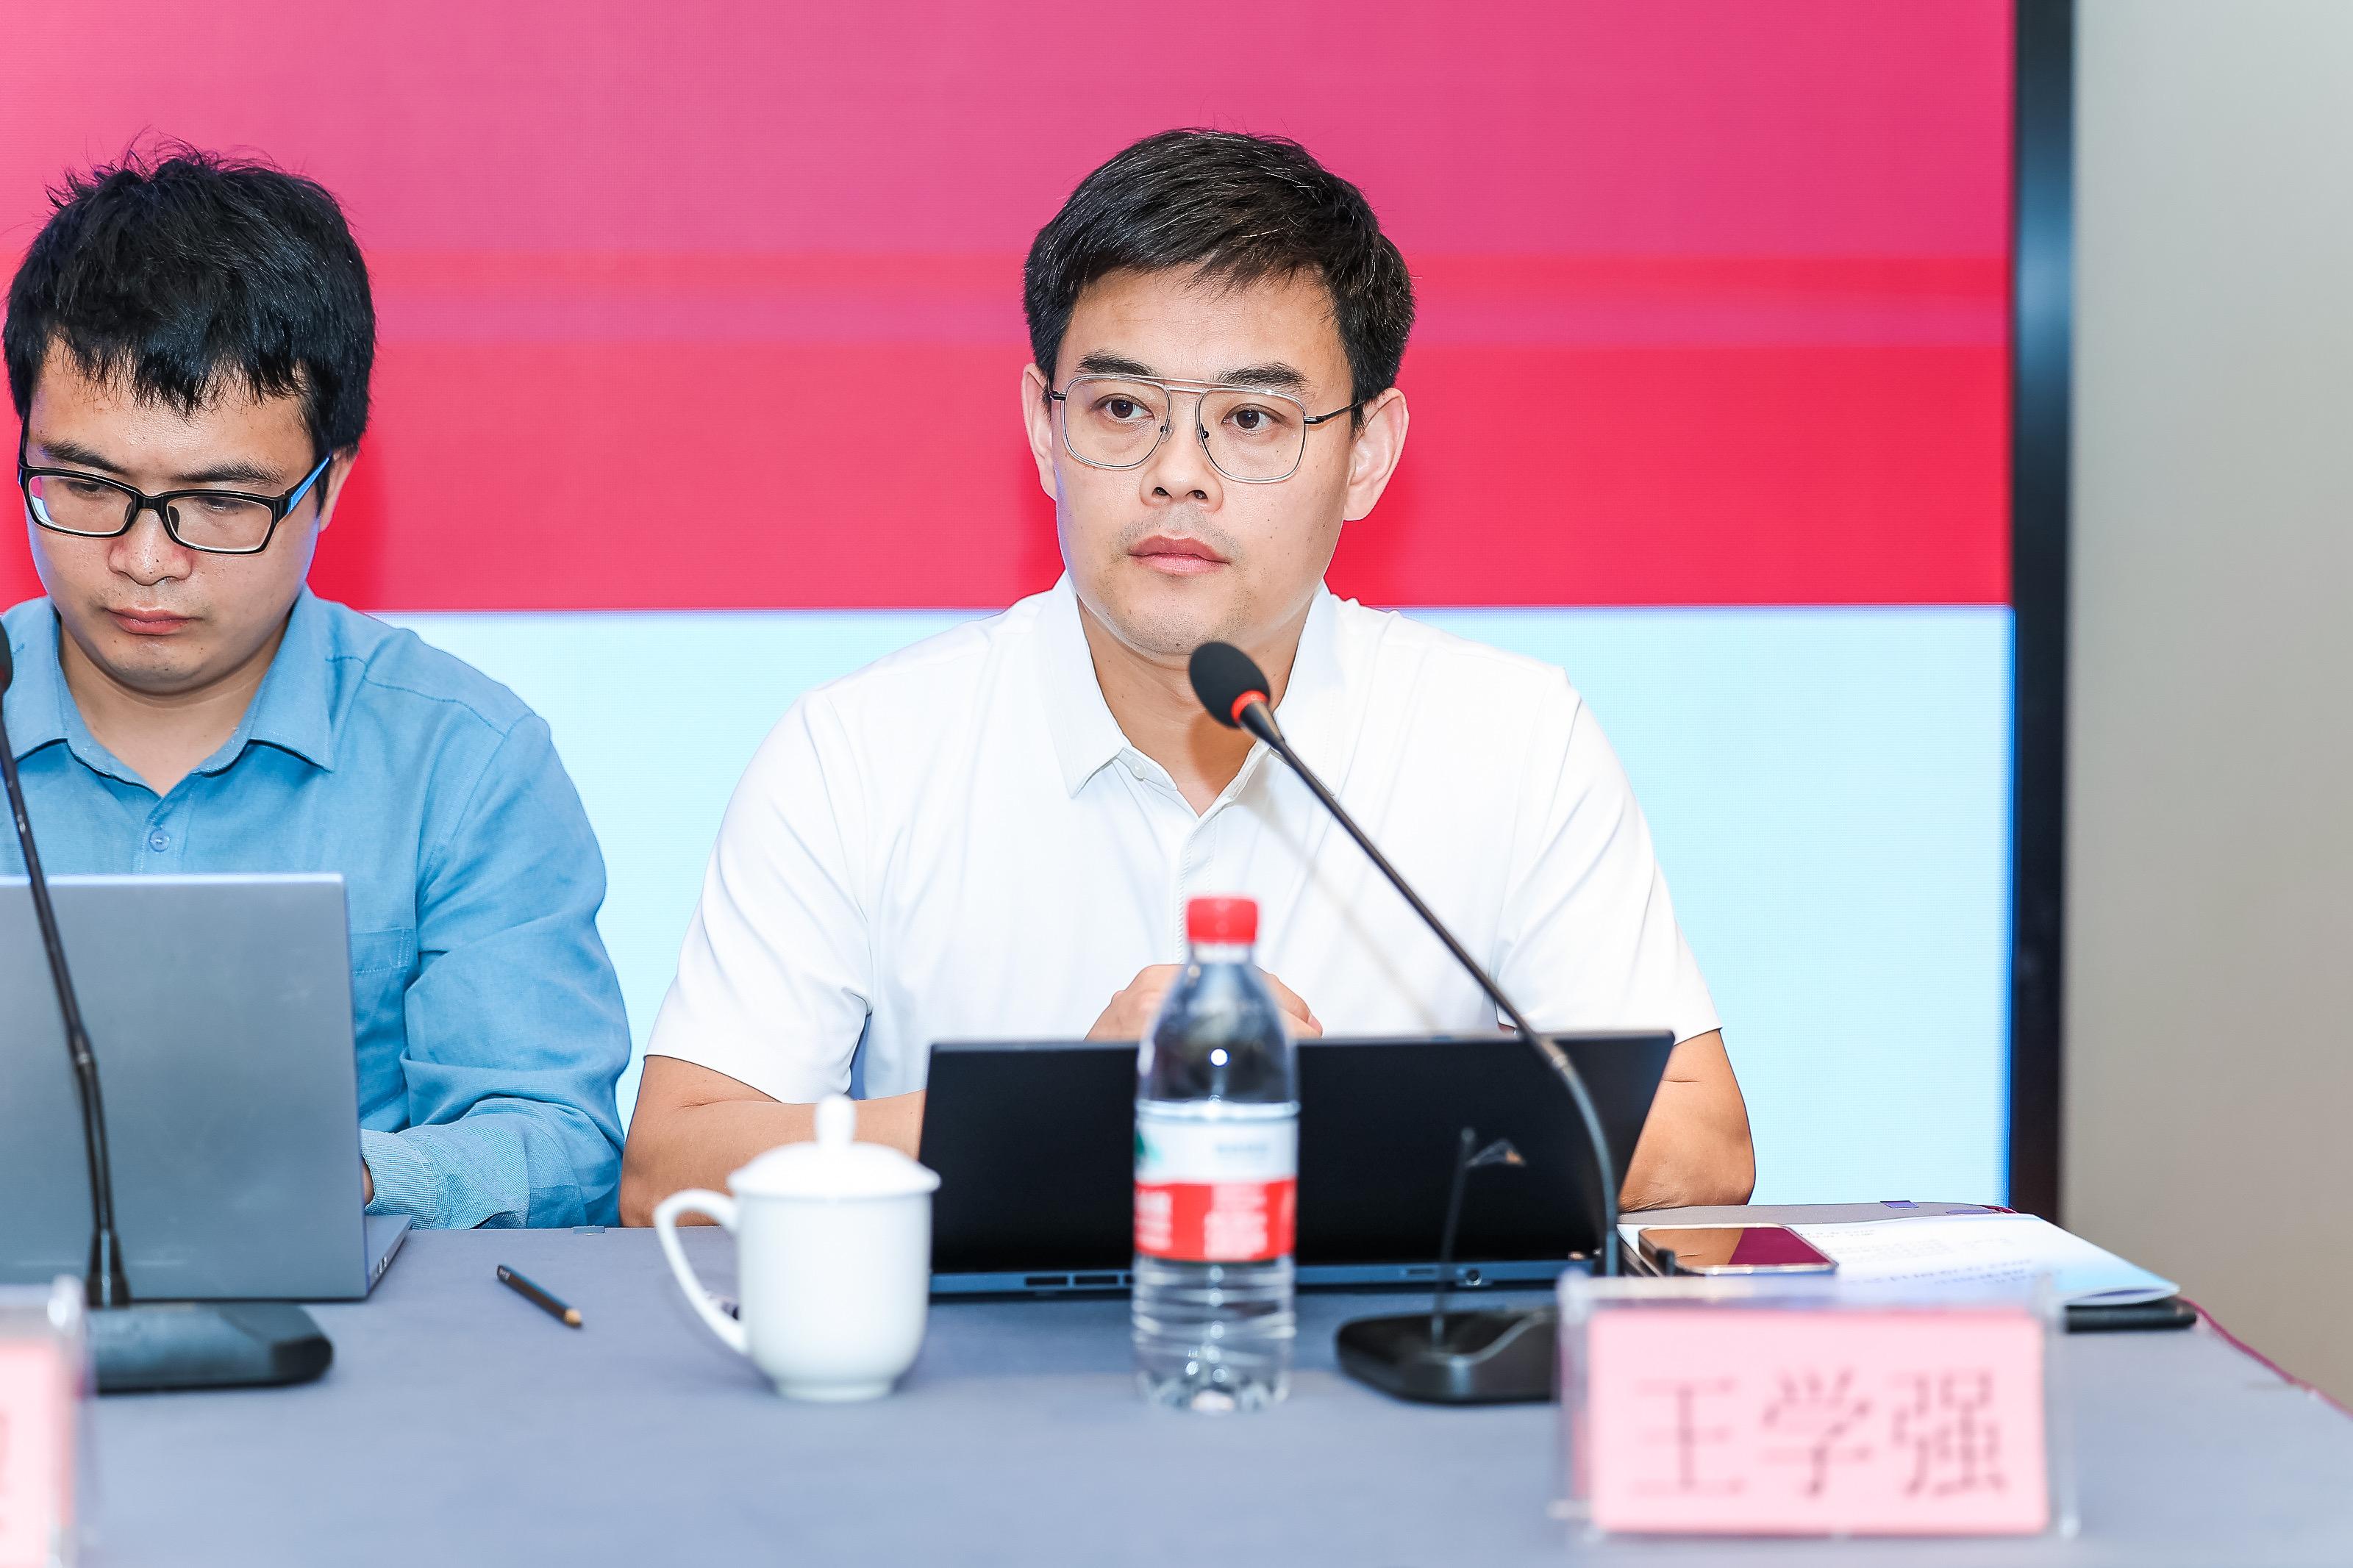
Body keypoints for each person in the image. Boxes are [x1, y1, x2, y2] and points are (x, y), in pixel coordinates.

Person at [621, 129, 1753, 1222]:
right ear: (1045, 431)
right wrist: (1063, 1115)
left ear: (1366, 453)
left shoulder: (1512, 739)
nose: (1177, 474)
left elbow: (1702, 1141)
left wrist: (1330, 1120)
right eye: (1122, 409)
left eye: (1251, 418)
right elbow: (673, 1166)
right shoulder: (860, 752)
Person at [1, 146, 629, 1227]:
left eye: (221, 503)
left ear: (328, 486)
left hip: (352, 1324)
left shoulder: (461, 759)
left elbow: (556, 1138)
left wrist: (353, 1180)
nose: (147, 559)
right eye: (87, 485)